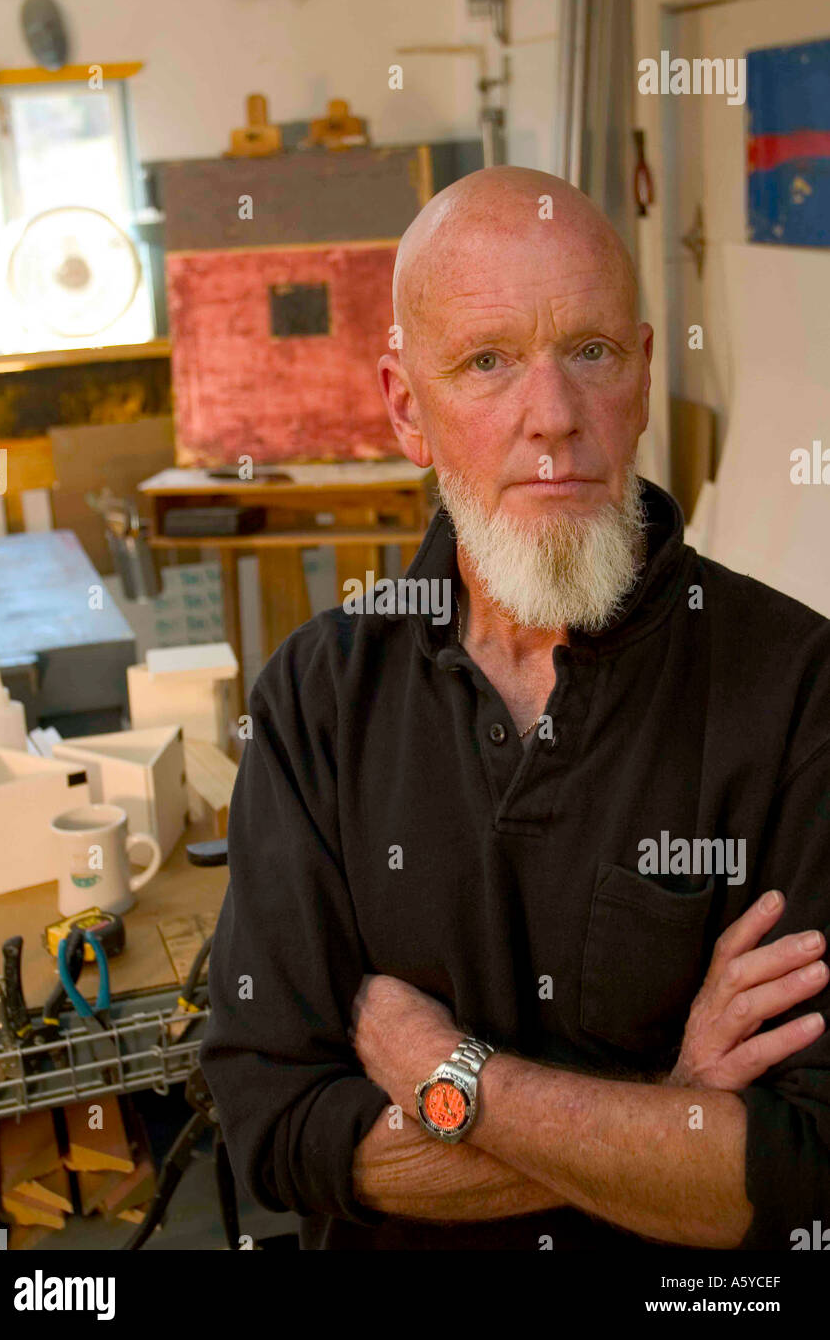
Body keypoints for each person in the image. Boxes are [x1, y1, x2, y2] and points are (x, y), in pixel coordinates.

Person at [200, 166, 830, 1250]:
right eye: (486, 361)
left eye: (588, 352)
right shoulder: (315, 699)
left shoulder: (793, 686)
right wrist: (671, 1094)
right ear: (406, 405)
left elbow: (796, 1165)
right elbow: (275, 1126)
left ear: (637, 376)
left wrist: (451, 1079)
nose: (552, 418)